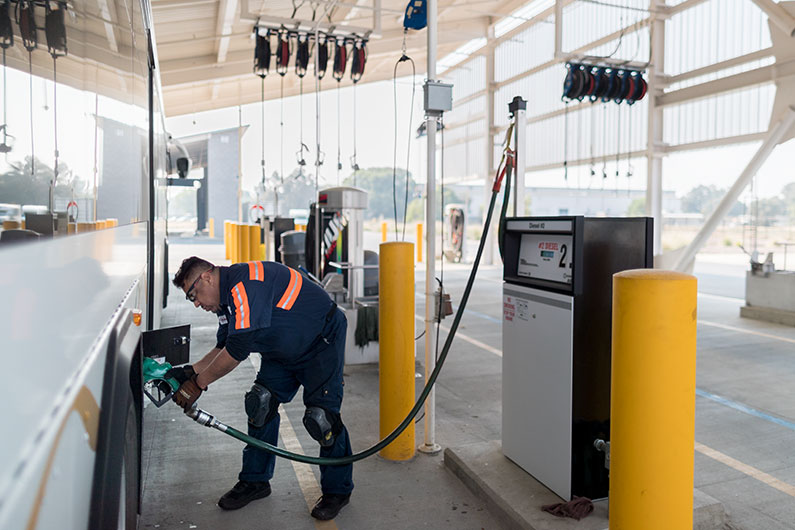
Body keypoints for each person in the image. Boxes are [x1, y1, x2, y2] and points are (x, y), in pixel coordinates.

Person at [168, 256, 353, 521]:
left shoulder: (245, 286)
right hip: (281, 350)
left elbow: (236, 352)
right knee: (260, 404)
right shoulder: (224, 301)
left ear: (207, 277)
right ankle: (255, 481)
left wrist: (198, 384)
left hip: (320, 343)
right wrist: (189, 371)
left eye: (193, 295)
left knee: (322, 420)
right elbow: (223, 345)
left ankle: (337, 491)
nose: (196, 303)